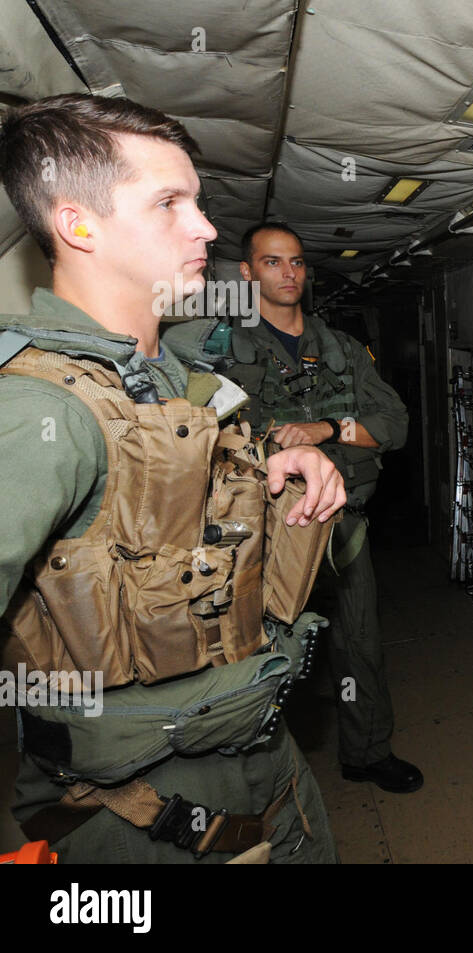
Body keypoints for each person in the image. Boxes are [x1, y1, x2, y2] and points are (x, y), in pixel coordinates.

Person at [0, 93, 345, 862]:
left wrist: (283, 470)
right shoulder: (37, 410)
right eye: (169, 203)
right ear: (76, 223)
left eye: (198, 200)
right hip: (136, 817)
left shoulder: (180, 383)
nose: (207, 228)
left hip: (267, 767)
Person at [166, 222, 423, 794]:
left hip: (341, 527)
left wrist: (325, 427)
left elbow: (395, 424)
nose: (289, 273)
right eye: (274, 262)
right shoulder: (216, 349)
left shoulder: (341, 350)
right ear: (247, 272)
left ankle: (367, 752)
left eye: (298, 263)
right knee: (256, 652)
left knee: (360, 643)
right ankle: (257, 775)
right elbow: (193, 440)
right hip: (260, 534)